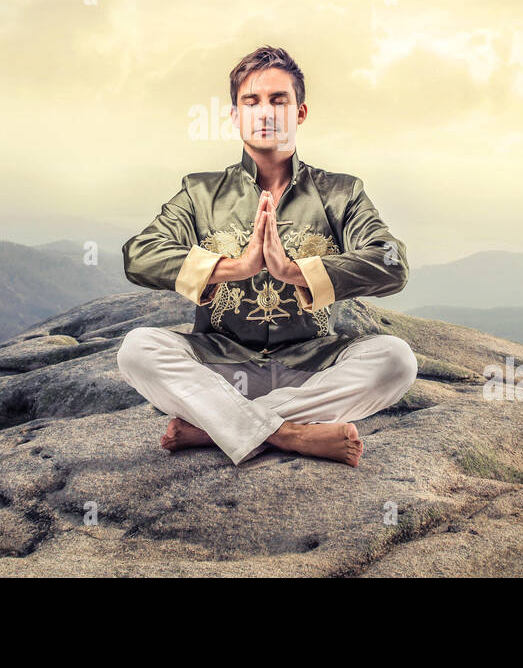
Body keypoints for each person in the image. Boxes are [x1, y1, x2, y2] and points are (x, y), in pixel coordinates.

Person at [118, 45, 416, 467]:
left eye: (279, 100)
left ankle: (215, 429)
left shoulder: (341, 193)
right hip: (218, 363)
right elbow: (139, 254)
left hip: (313, 367)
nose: (265, 113)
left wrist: (297, 271)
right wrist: (235, 267)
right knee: (137, 348)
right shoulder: (200, 192)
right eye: (251, 101)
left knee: (396, 360)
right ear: (235, 115)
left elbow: (392, 263)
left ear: (300, 113)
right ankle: (290, 434)